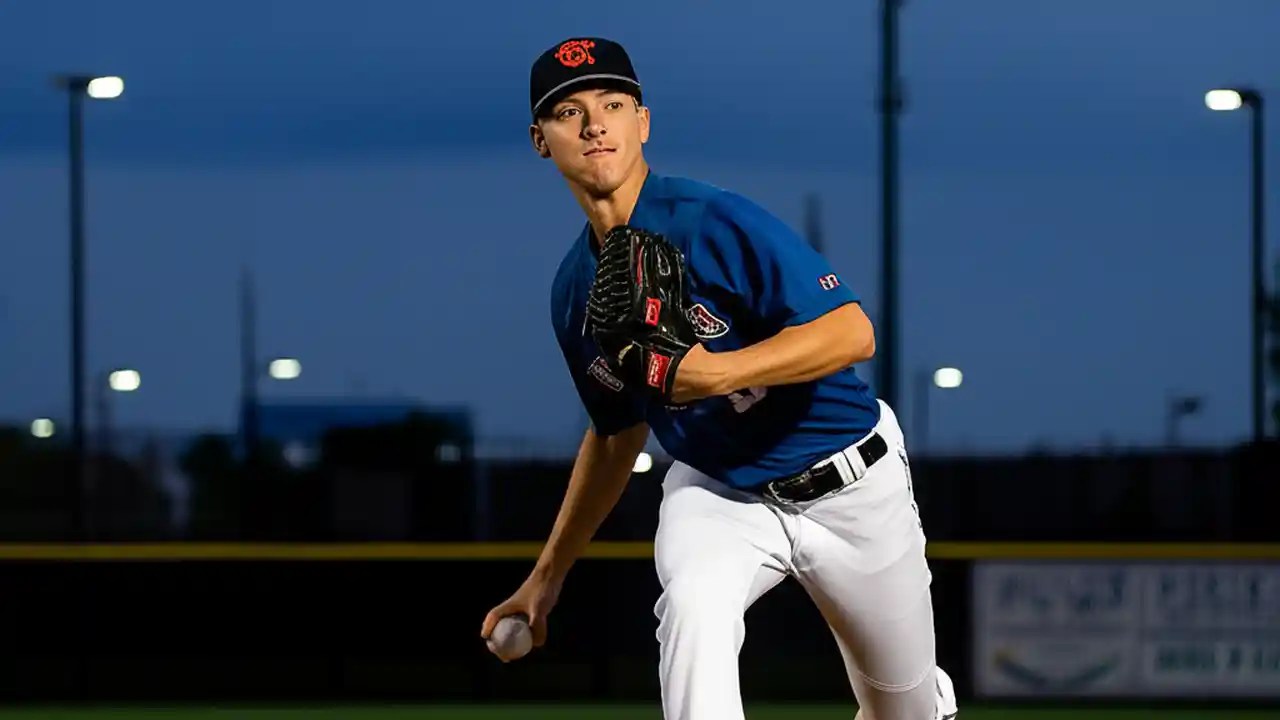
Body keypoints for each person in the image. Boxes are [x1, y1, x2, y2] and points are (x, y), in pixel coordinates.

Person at [481, 36, 958, 720]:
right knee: (693, 615)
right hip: (721, 495)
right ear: (540, 139)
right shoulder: (571, 293)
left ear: (641, 123)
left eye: (613, 104)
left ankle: (925, 701)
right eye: (570, 111)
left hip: (853, 485)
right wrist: (546, 578)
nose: (594, 124)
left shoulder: (713, 221)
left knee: (901, 710)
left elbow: (854, 332)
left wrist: (715, 373)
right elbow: (615, 435)